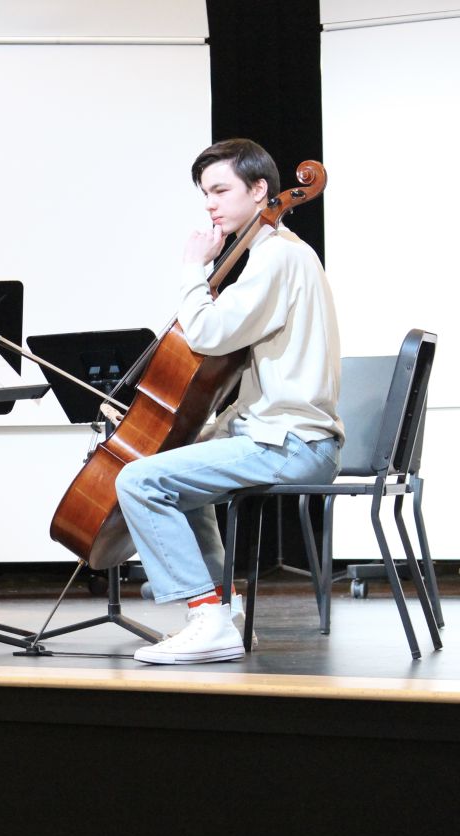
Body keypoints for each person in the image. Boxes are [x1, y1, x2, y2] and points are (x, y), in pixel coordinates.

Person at [115, 138, 343, 665]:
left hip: (292, 443)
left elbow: (206, 332)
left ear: (260, 189)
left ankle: (206, 617)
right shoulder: (282, 254)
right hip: (288, 436)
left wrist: (193, 268)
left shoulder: (276, 258)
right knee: (178, 472)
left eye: (220, 191)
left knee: (139, 481)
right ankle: (224, 611)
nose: (210, 205)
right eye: (205, 194)